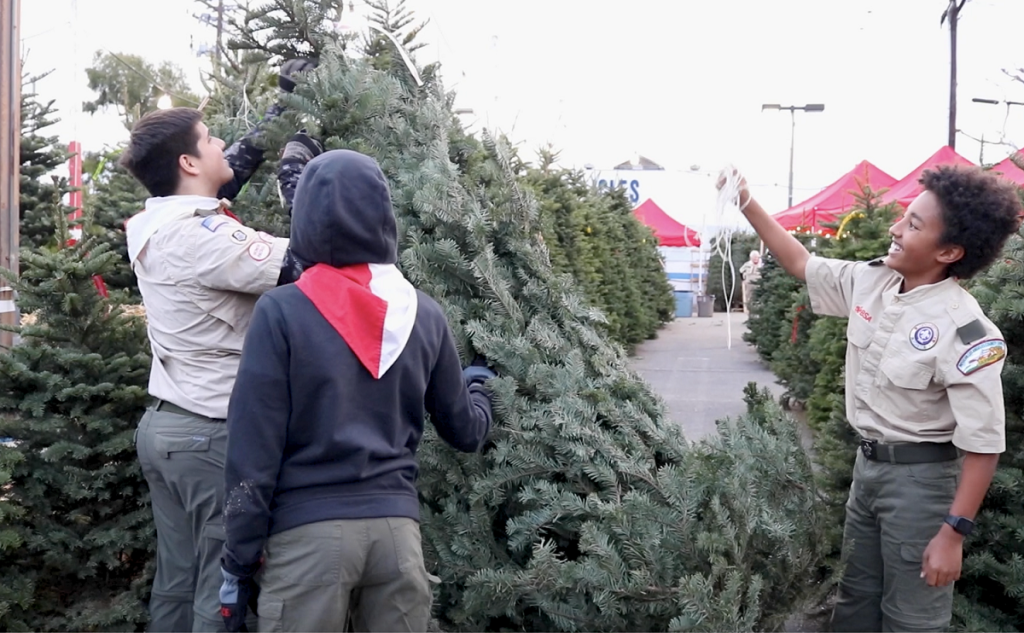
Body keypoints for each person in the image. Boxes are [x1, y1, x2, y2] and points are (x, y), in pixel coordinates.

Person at [721, 164, 1020, 632]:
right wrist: (744, 200)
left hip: (921, 487)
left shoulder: (966, 332)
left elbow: (984, 445)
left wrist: (952, 533)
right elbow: (801, 264)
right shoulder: (875, 281)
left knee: (912, 618)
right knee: (855, 602)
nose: (895, 228)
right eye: (904, 217)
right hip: (868, 473)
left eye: (914, 226)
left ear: (949, 251)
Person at [218, 150, 495, 632]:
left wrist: (238, 562)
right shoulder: (423, 313)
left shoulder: (282, 312)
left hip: (307, 542)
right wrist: (481, 385)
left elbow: (252, 452)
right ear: (384, 216)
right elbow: (466, 432)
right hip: (398, 539)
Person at [122, 59, 322, 632]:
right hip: (210, 437)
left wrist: (283, 105)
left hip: (164, 428)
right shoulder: (206, 237)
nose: (221, 145)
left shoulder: (156, 219)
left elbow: (231, 168)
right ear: (187, 162)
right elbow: (308, 263)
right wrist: (300, 180)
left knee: (177, 580)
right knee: (222, 586)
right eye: (209, 140)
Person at [739, 249, 762, 314]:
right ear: (751, 258)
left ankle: (758, 311)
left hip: (759, 284)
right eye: (753, 257)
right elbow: (740, 271)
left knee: (758, 298)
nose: (755, 259)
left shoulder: (762, 264)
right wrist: (744, 280)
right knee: (749, 298)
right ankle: (749, 311)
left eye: (756, 257)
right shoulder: (747, 264)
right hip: (749, 284)